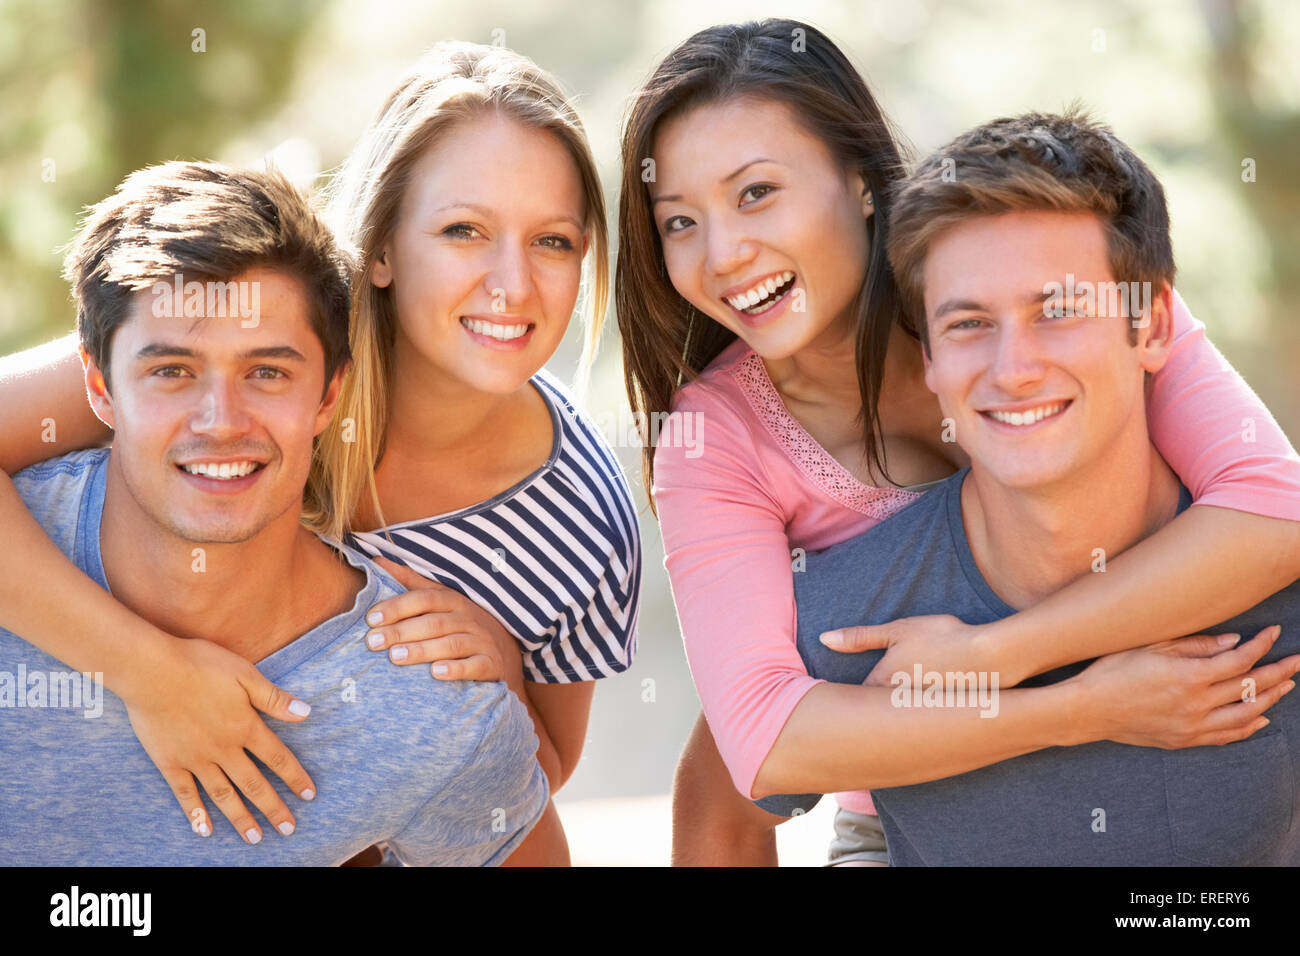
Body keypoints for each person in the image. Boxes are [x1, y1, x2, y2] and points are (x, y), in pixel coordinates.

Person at [614, 19, 1300, 865]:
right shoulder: (713, 436)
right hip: (915, 790)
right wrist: (1082, 705)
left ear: (861, 180)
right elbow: (762, 740)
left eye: (756, 192)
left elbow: (1275, 511)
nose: (722, 253)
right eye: (679, 222)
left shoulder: (1007, 252)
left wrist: (992, 653)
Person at [0, 42, 638, 864]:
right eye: (463, 230)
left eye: (553, 241)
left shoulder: (577, 516)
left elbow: (515, 791)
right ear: (378, 248)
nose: (511, 283)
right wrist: (149, 673)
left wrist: (499, 669)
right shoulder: (244, 320)